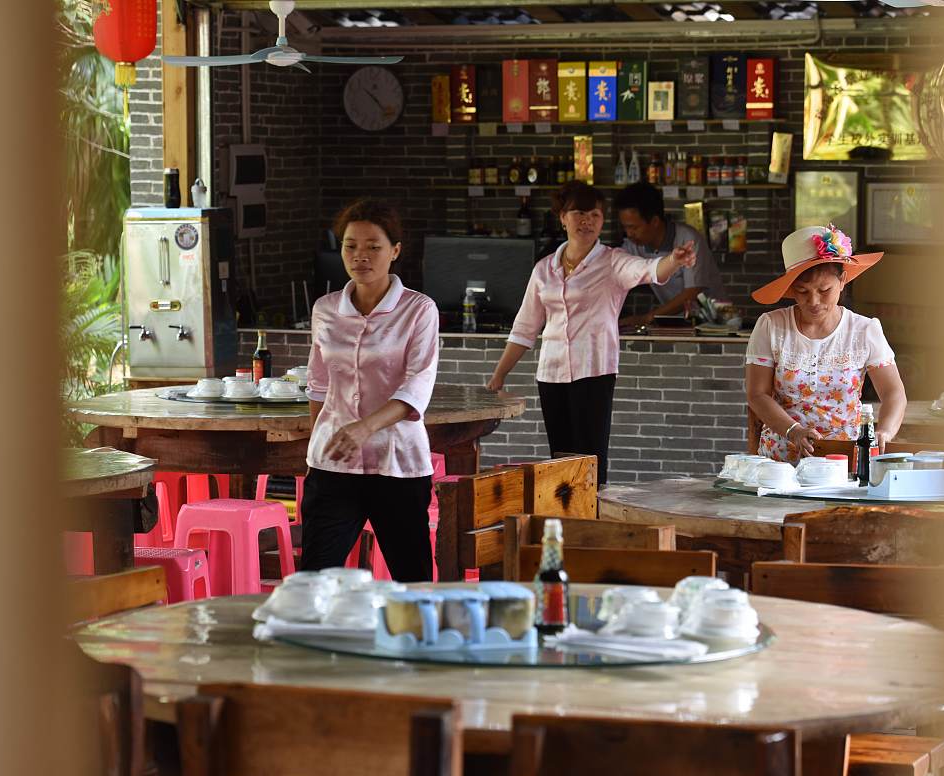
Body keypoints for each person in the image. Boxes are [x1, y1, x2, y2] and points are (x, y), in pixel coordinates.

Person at [486, 181, 696, 486]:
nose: (587, 221)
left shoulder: (613, 261)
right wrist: (499, 375)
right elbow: (525, 328)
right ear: (562, 217)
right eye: (579, 213)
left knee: (590, 459)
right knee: (559, 458)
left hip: (594, 371)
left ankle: (593, 523)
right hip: (552, 373)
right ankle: (564, 525)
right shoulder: (544, 269)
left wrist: (675, 260)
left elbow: (651, 270)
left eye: (595, 215)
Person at [301, 199, 439, 581]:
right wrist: (316, 445)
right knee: (313, 581)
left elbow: (418, 385)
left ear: (395, 251)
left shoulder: (419, 310)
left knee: (413, 584)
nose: (360, 256)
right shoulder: (326, 310)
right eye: (350, 246)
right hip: (334, 465)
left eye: (373, 247)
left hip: (398, 465)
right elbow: (318, 385)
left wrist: (365, 428)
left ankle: (414, 641)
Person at [745, 224, 907, 463]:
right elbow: (757, 394)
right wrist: (794, 431)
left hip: (845, 459)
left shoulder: (864, 330)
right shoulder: (771, 326)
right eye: (802, 291)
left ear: (842, 281)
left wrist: (884, 432)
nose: (813, 301)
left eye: (824, 290)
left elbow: (894, 393)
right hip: (780, 462)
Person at [615, 181, 727, 326]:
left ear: (654, 221)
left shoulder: (688, 240)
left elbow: (692, 293)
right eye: (625, 227)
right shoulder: (632, 245)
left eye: (633, 227)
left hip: (713, 322)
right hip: (676, 322)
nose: (629, 233)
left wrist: (647, 318)